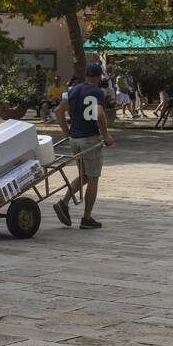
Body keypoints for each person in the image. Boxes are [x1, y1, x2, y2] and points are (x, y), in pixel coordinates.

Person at [52, 64, 113, 230]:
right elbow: (99, 114)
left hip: (75, 139)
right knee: (93, 178)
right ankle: (86, 218)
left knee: (84, 175)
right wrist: (106, 135)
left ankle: (63, 203)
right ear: (99, 77)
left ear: (86, 75)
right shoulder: (97, 92)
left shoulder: (73, 90)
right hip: (90, 139)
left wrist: (67, 133)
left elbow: (58, 111)